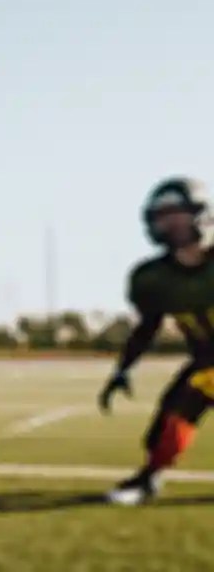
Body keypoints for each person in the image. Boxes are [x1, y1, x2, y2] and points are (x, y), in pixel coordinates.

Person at [100, 177, 214, 506]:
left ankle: (148, 477)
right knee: (167, 420)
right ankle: (151, 475)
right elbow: (148, 326)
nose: (170, 222)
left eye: (177, 212)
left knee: (190, 396)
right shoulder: (153, 278)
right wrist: (122, 369)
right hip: (206, 358)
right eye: (162, 215)